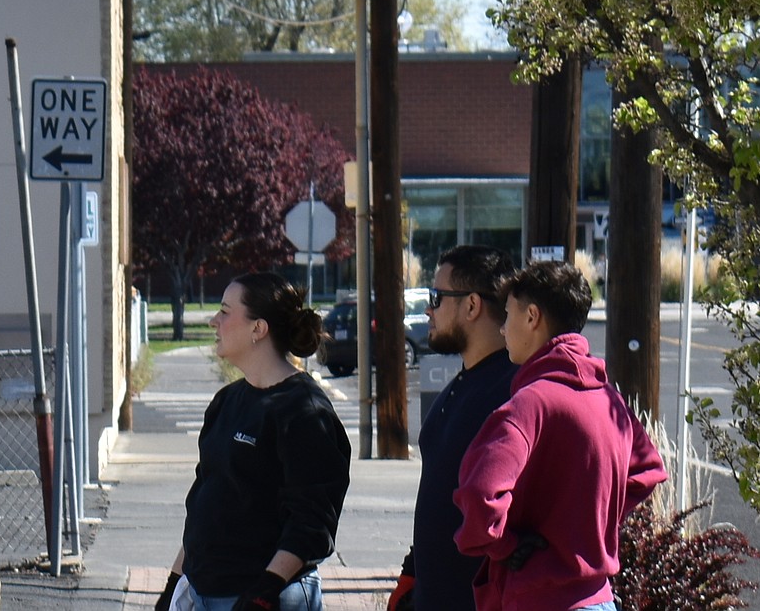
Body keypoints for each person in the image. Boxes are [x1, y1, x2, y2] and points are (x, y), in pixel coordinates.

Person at [453, 261, 668, 611]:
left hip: (541, 597)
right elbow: (647, 469)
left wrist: (506, 544)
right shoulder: (608, 398)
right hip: (600, 598)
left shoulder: (529, 404)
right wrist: (593, 523)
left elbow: (479, 493)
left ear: (532, 317)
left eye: (508, 315)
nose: (504, 330)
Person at [154, 272, 352, 611]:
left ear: (258, 329)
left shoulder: (305, 410)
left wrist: (264, 592)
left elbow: (312, 522)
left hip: (268, 597)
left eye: (225, 311)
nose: (214, 321)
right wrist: (174, 583)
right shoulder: (226, 401)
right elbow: (207, 502)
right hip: (204, 591)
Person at [386, 245, 519, 611]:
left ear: (472, 305)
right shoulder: (461, 383)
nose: (428, 309)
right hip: (432, 596)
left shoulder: (514, 392)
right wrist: (411, 574)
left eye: (437, 297)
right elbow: (440, 491)